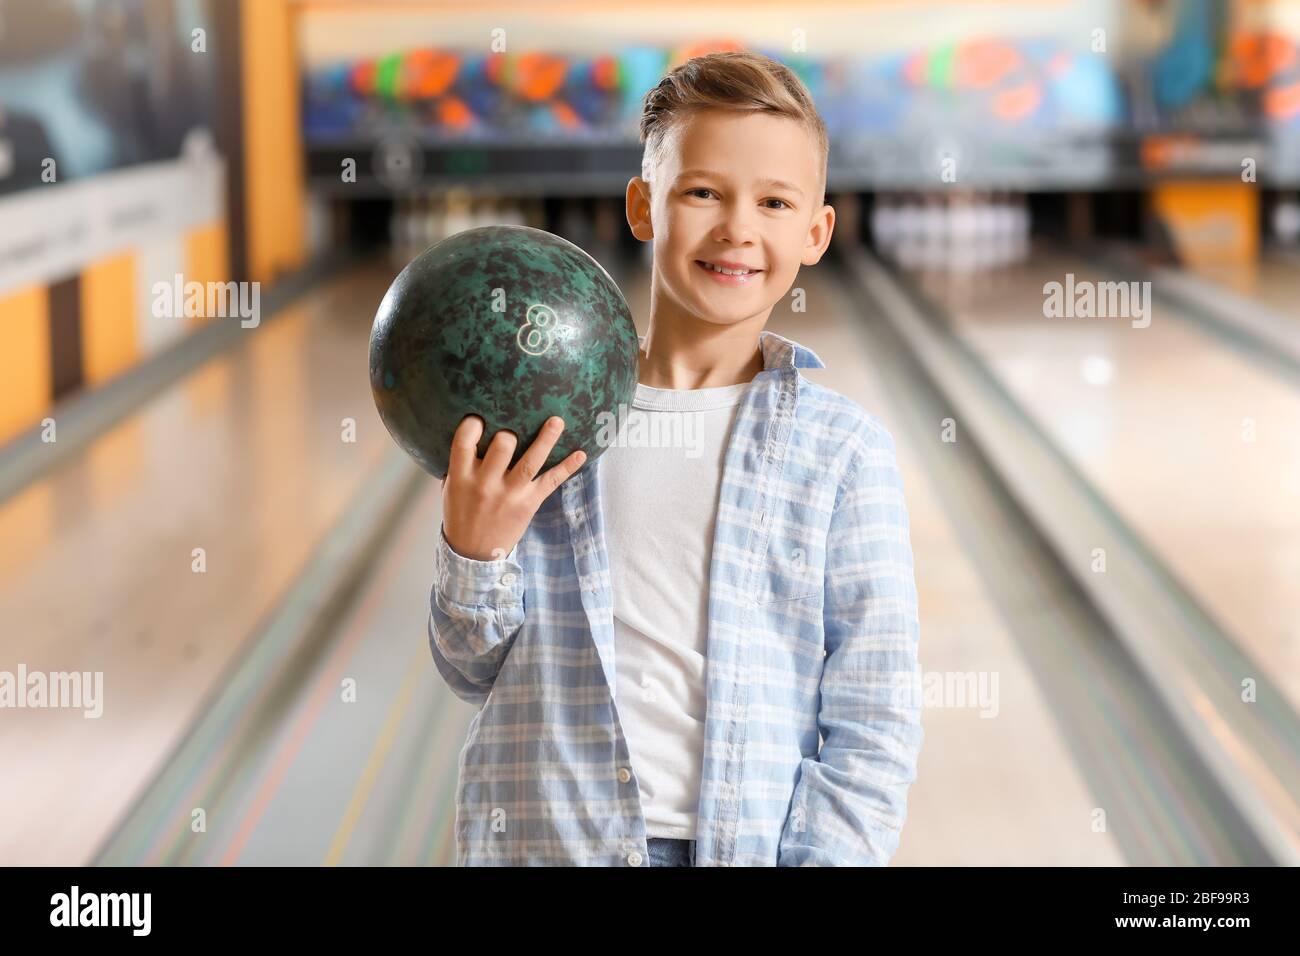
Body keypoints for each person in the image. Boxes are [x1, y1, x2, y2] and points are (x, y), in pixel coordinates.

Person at [429, 51, 923, 866]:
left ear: (816, 232)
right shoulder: (542, 421)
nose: (737, 228)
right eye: (703, 192)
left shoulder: (843, 453)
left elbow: (875, 717)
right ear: (642, 204)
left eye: (774, 201)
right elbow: (470, 667)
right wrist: (472, 553)